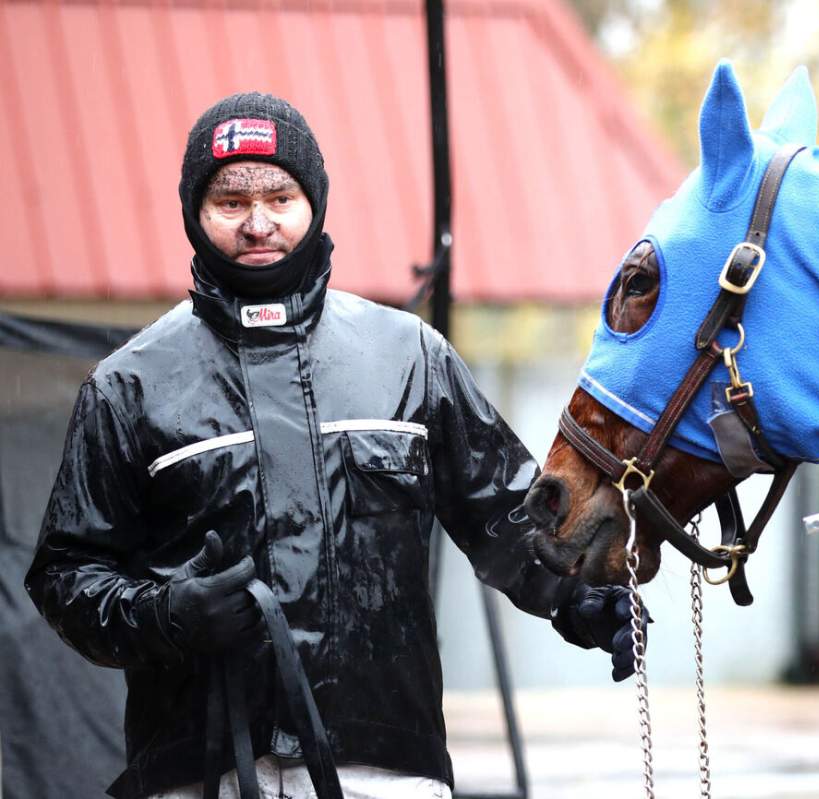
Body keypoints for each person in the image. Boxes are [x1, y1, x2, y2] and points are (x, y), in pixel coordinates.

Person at [25, 93, 641, 799]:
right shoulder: (128, 386)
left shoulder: (410, 357)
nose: (258, 222)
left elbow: (503, 511)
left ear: (313, 199)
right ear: (194, 213)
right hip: (202, 770)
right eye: (229, 201)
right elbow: (66, 576)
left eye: (279, 196)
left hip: (386, 770)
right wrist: (169, 614)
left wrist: (584, 596)